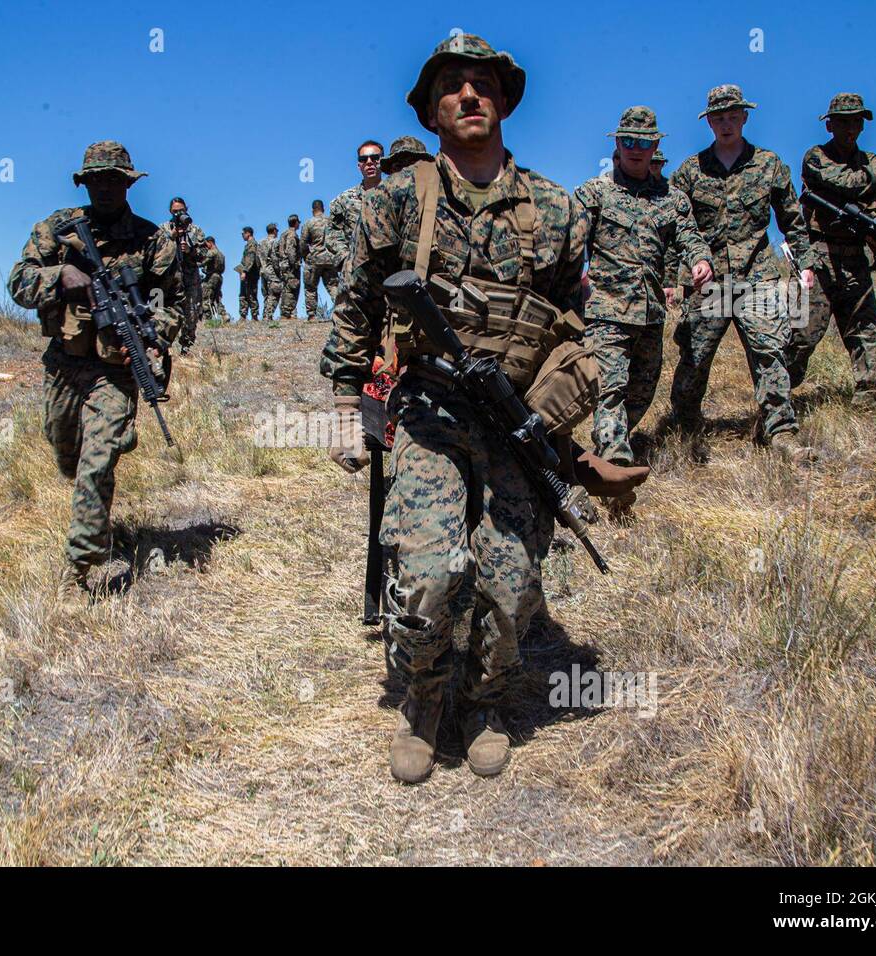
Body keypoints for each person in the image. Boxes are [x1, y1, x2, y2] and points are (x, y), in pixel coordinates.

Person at [322, 34, 645, 784]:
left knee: (509, 580)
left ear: (502, 101)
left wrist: (572, 410)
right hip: (430, 413)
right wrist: (346, 404)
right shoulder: (398, 200)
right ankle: (424, 702)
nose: (470, 95)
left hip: (516, 418)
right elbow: (356, 303)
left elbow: (580, 317)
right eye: (452, 86)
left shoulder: (558, 209)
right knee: (432, 572)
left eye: (483, 84)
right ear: (432, 111)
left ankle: (485, 703)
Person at [8, 142, 182, 603]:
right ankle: (97, 476)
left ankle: (79, 568)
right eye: (97, 179)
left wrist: (151, 339)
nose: (105, 187)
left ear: (129, 183)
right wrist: (59, 276)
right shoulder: (57, 229)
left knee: (97, 460)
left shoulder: (152, 241)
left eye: (115, 179)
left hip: (115, 369)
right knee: (67, 453)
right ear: (85, 183)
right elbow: (17, 283)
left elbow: (174, 303)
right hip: (65, 364)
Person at [666, 85, 816, 461]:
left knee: (770, 353)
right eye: (718, 118)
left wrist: (806, 262)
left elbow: (792, 221)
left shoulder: (769, 164)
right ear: (709, 122)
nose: (726, 124)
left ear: (745, 117)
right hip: (711, 284)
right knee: (694, 359)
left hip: (758, 277)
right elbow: (672, 228)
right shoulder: (690, 171)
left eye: (733, 116)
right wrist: (672, 279)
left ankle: (781, 433)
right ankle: (685, 425)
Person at [573, 106, 712, 505]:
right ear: (617, 145)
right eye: (628, 141)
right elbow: (565, 234)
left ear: (655, 147)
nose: (636, 149)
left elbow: (691, 238)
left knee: (641, 393)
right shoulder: (596, 192)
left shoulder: (671, 199)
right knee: (610, 391)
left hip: (650, 314)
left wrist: (701, 261)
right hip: (604, 314)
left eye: (644, 143)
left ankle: (599, 457)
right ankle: (616, 475)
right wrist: (573, 277)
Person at [785, 93, 876, 408]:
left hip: (856, 258)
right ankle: (777, 397)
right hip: (818, 256)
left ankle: (869, 402)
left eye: (856, 121)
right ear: (829, 125)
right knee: (802, 335)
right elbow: (850, 183)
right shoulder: (816, 157)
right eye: (843, 121)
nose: (850, 128)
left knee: (865, 330)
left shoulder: (874, 163)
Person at [327, 140, 384, 269]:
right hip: (357, 275)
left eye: (375, 158)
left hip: (393, 275)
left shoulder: (396, 196)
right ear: (359, 165)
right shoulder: (344, 200)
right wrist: (346, 261)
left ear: (383, 161)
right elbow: (332, 234)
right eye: (363, 159)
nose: (369, 162)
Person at [162, 196, 206, 353]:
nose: (178, 214)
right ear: (170, 212)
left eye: (181, 210)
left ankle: (186, 347)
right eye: (175, 211)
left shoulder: (195, 230)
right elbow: (154, 252)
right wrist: (171, 238)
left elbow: (204, 255)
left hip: (190, 278)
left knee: (192, 313)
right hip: (169, 279)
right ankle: (162, 348)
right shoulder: (164, 229)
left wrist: (190, 250)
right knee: (163, 311)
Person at [300, 199, 337, 320]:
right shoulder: (330, 221)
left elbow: (303, 243)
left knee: (310, 287)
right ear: (323, 208)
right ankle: (339, 312)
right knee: (333, 286)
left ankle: (311, 316)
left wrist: (306, 256)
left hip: (314, 259)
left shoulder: (309, 223)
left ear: (312, 210)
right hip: (330, 259)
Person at [275, 213, 303, 319]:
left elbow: (277, 249)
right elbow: (291, 250)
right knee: (292, 289)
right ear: (295, 223)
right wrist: (295, 263)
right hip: (290, 266)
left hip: (283, 264)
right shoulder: (292, 235)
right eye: (298, 222)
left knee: (286, 288)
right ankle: (287, 313)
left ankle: (285, 312)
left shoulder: (283, 234)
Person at [235, 226, 260, 320]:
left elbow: (250, 259)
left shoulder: (252, 244)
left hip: (250, 274)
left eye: (243, 234)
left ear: (248, 233)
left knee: (251, 295)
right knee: (244, 294)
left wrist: (244, 271)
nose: (242, 236)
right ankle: (243, 315)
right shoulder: (248, 244)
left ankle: (254, 316)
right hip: (248, 273)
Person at [258, 222, 281, 321]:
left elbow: (257, 258)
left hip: (262, 270)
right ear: (274, 230)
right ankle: (268, 315)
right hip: (271, 270)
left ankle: (265, 315)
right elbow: (275, 258)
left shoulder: (260, 242)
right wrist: (278, 271)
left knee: (266, 295)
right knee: (275, 293)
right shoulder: (275, 242)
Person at [201, 235, 227, 320]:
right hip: (219, 277)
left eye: (206, 244)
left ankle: (208, 319)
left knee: (206, 297)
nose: (206, 246)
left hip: (211, 277)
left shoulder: (212, 252)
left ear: (210, 243)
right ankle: (224, 315)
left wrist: (197, 264)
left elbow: (203, 262)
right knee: (217, 297)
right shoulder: (221, 254)